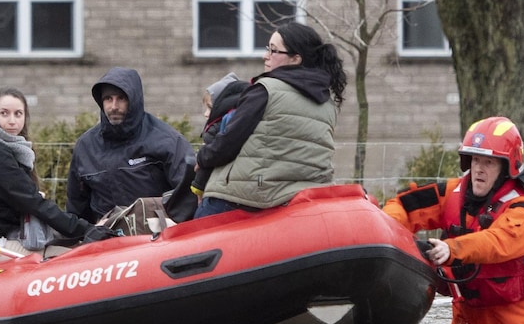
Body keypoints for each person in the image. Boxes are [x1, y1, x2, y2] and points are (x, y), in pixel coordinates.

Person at [381, 116, 524, 324]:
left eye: (488, 162)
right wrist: (385, 236)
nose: (479, 169)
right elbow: (403, 206)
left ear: (507, 168)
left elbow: (498, 241)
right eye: (475, 160)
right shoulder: (452, 193)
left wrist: (452, 250)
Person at [0, 87, 117, 267]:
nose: (12, 121)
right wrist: (88, 229)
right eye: (4, 113)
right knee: (72, 258)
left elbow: (20, 200)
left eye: (18, 114)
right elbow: (34, 203)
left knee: (69, 247)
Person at [194, 21, 347, 217]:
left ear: (295, 59)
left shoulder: (265, 90)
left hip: (247, 196)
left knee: (193, 235)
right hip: (300, 199)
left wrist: (202, 158)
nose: (265, 55)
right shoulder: (327, 102)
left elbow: (229, 142)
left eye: (273, 50)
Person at [67, 67, 195, 223]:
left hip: (156, 238)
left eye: (121, 98)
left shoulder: (167, 141)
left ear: (134, 100)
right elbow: (76, 208)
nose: (114, 106)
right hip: (105, 238)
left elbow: (188, 196)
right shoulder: (85, 146)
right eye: (108, 98)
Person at [189, 72, 249, 202]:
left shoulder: (215, 129)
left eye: (210, 108)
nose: (206, 114)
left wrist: (198, 189)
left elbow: (206, 165)